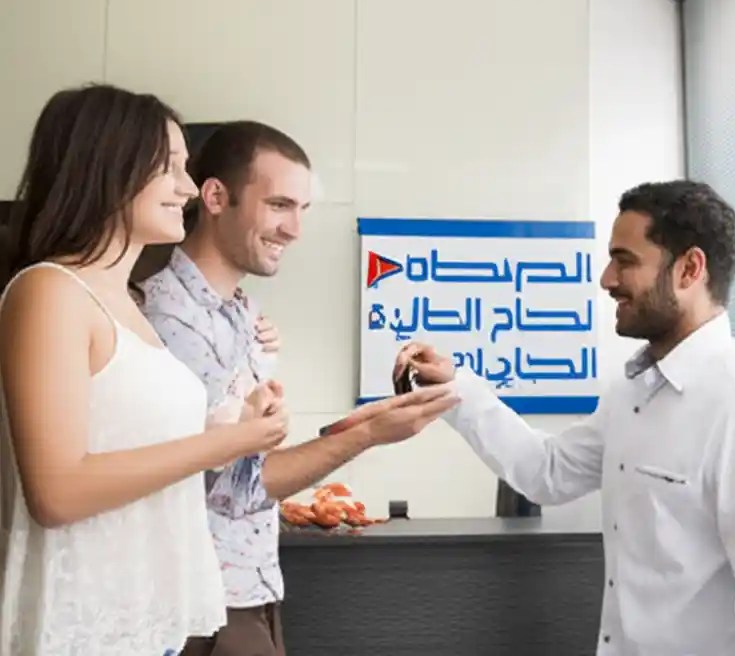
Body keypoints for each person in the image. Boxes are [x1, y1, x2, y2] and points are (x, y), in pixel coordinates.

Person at [396, 180, 735, 655]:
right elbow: (547, 472)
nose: (606, 278)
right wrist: (455, 387)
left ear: (689, 269)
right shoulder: (632, 392)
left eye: (626, 260)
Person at [139, 120, 459, 656]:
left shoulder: (242, 315)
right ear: (215, 196)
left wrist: (367, 420)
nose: (295, 230)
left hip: (247, 593)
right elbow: (234, 488)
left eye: (303, 210)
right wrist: (371, 434)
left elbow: (245, 463)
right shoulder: (168, 318)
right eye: (280, 205)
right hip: (201, 610)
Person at [0, 84, 291, 655]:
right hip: (80, 629)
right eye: (171, 167)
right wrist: (226, 443)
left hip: (147, 623)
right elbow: (56, 491)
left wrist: (233, 430)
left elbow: (133, 444)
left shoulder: (129, 306)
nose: (187, 188)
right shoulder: (49, 292)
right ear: (108, 167)